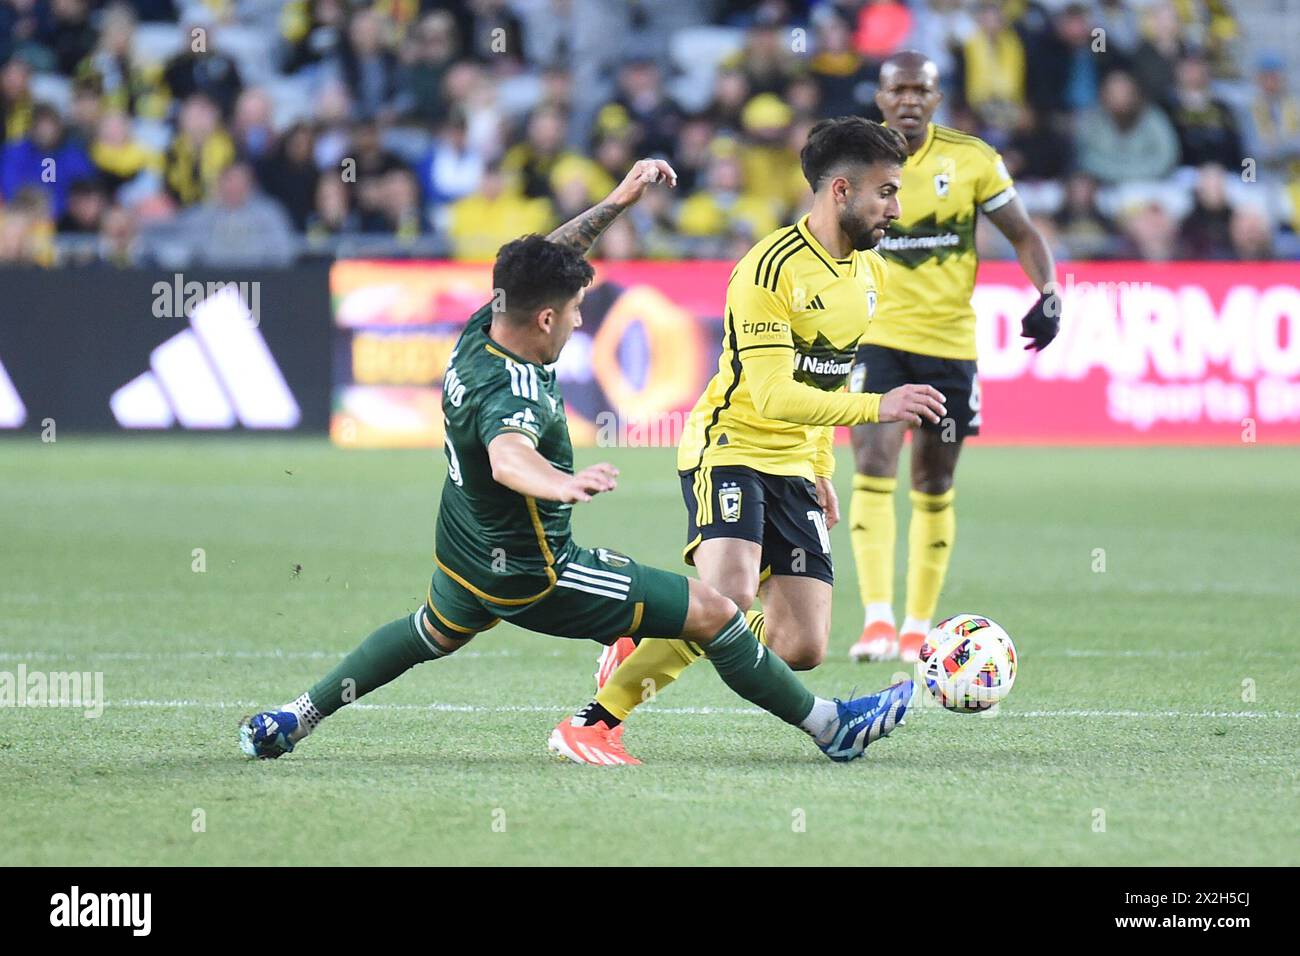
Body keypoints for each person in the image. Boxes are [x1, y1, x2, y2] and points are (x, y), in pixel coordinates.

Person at [240, 159, 915, 767]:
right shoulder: (517, 391)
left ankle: (295, 716)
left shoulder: (484, 327)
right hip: (539, 573)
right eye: (574, 313)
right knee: (714, 610)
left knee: (425, 633)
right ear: (543, 321)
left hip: (464, 549)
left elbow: (545, 258)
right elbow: (508, 458)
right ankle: (829, 727)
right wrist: (560, 482)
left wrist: (618, 201)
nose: (578, 324)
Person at [556, 119, 946, 764]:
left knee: (801, 648)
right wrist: (880, 407)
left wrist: (820, 465)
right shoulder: (767, 270)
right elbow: (769, 395)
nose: (896, 209)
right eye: (886, 193)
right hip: (729, 446)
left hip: (794, 462)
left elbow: (827, 369)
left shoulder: (869, 274)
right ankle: (593, 723)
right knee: (729, 594)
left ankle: (661, 627)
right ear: (841, 191)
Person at [846, 51, 1059, 663]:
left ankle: (917, 627)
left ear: (937, 99)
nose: (910, 99)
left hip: (949, 345)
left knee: (933, 479)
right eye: (898, 89)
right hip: (876, 337)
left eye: (922, 90)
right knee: (874, 461)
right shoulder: (857, 162)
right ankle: (877, 620)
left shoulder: (972, 159)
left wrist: (1048, 291)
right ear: (881, 98)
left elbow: (1023, 233)